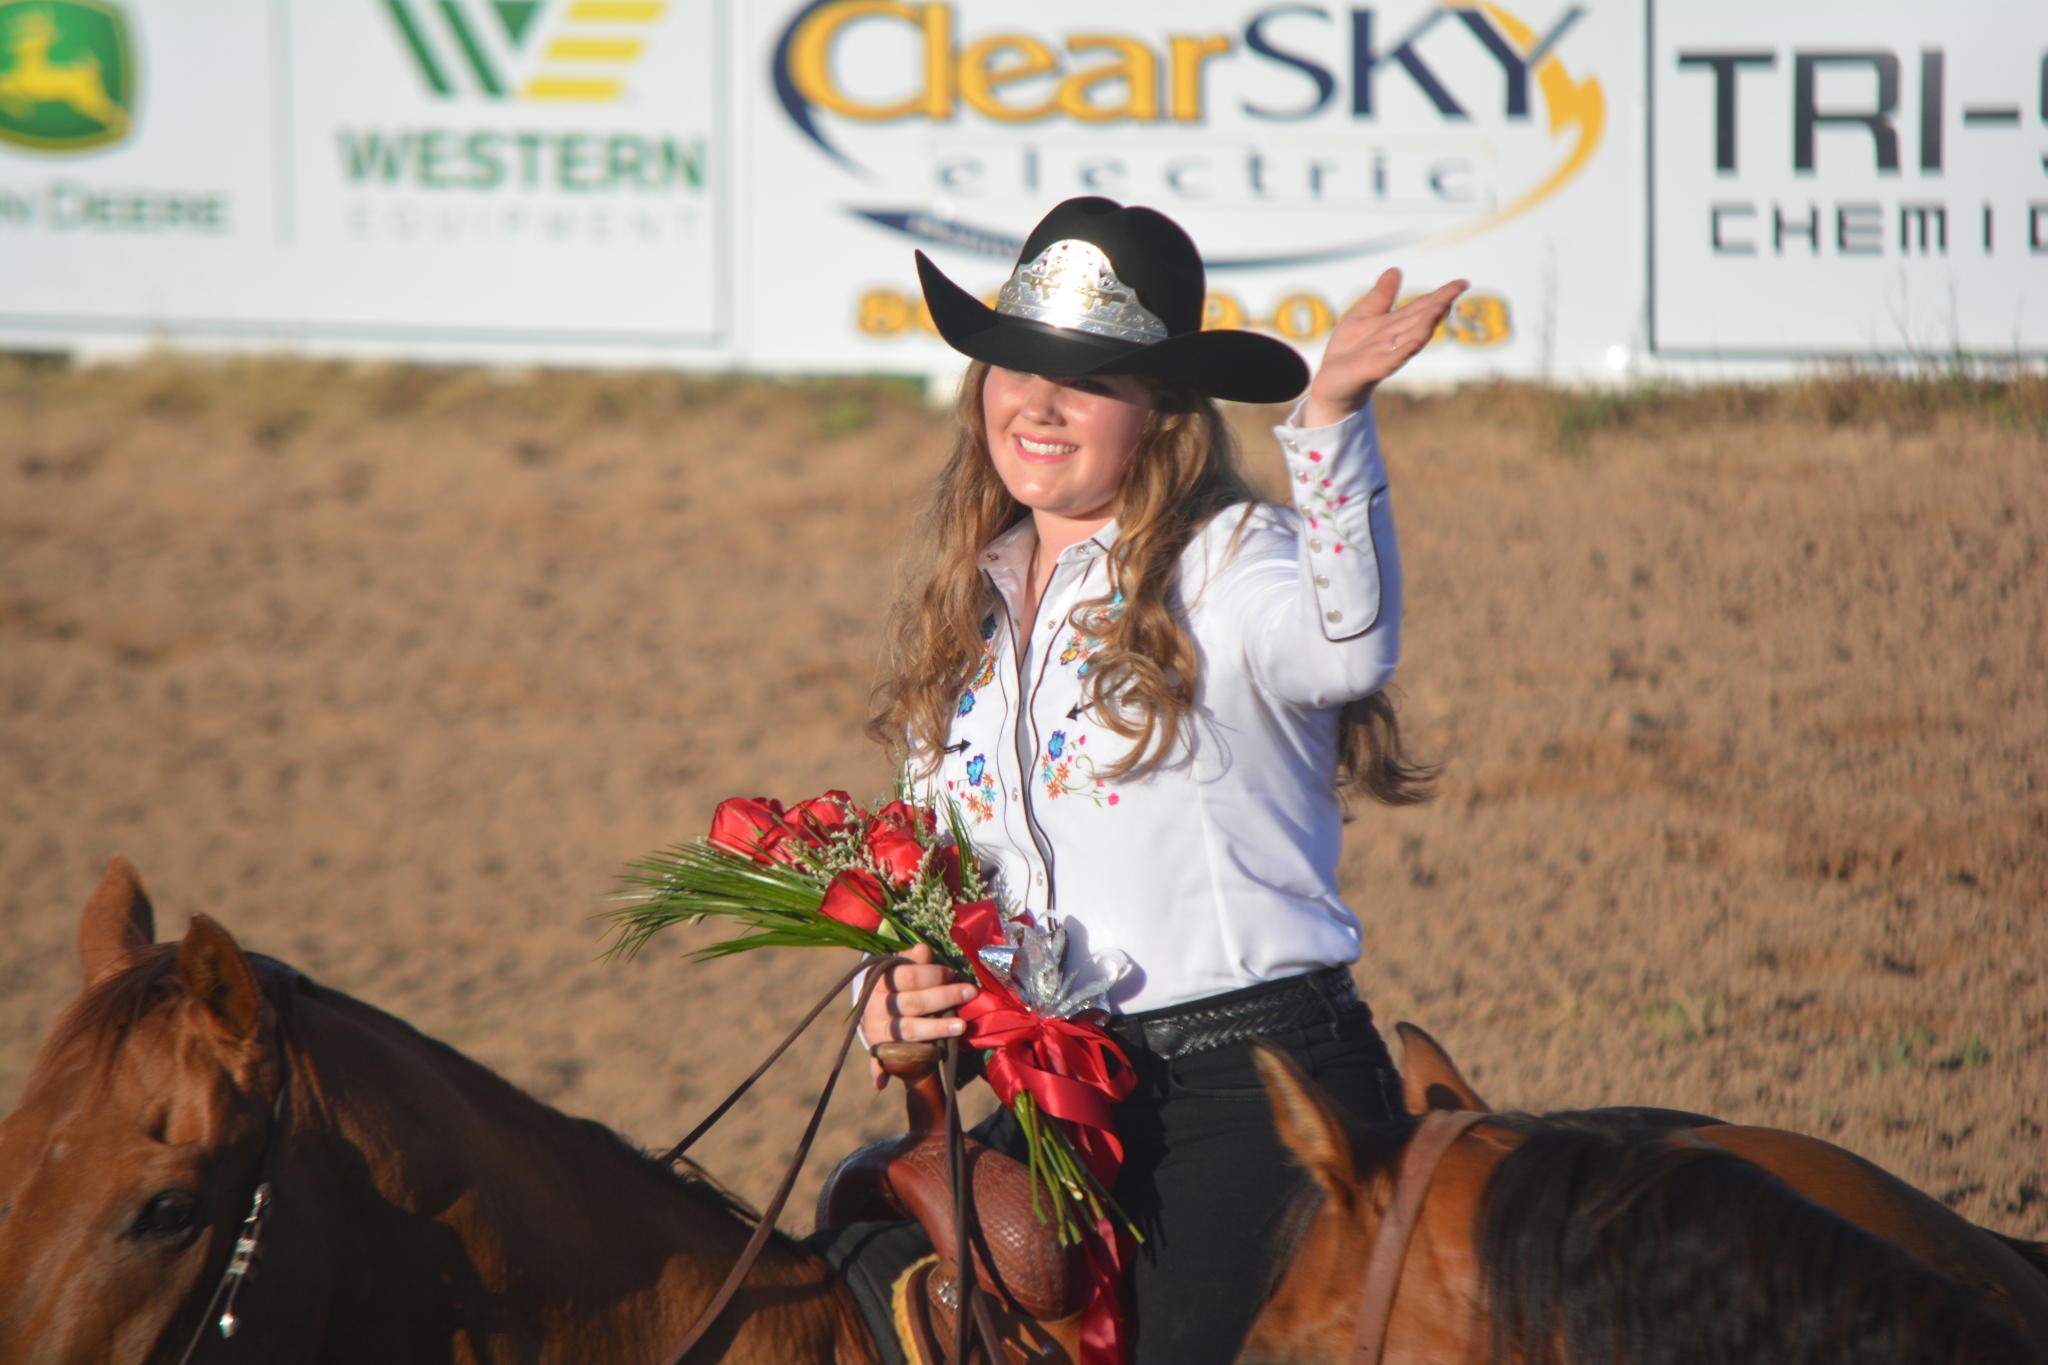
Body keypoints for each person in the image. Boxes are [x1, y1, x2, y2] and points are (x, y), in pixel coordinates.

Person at [825, 197, 1464, 1365]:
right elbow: (939, 890)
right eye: (1014, 364)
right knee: (848, 1275)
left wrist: (1326, 420)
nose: (1037, 401)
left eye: (1091, 376)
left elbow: (1349, 646)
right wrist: (896, 1003)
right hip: (1052, 1092)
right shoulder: (966, 615)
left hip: (1256, 1096)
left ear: (1162, 405)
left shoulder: (1229, 563)